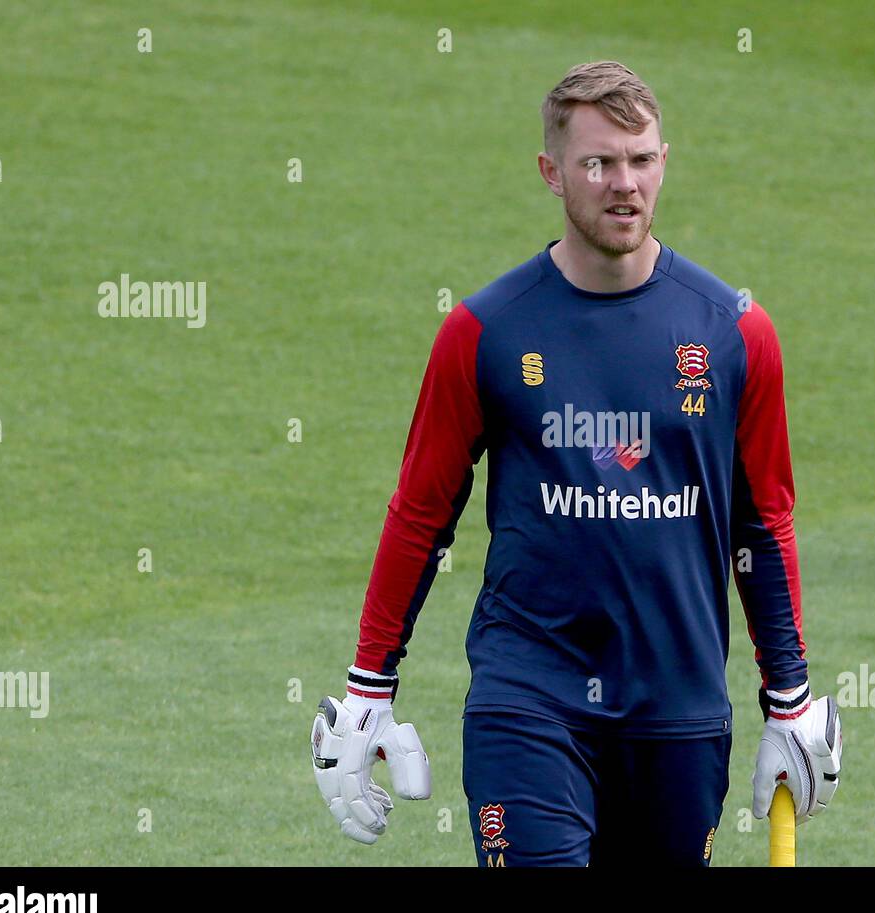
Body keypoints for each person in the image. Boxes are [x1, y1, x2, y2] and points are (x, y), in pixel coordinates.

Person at [311, 60, 842, 866]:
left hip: (679, 709)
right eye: (598, 163)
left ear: (665, 162)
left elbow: (762, 523)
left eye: (640, 160)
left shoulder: (735, 333)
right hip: (528, 700)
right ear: (552, 173)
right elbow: (422, 513)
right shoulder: (484, 332)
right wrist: (367, 690)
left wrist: (790, 696)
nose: (622, 184)